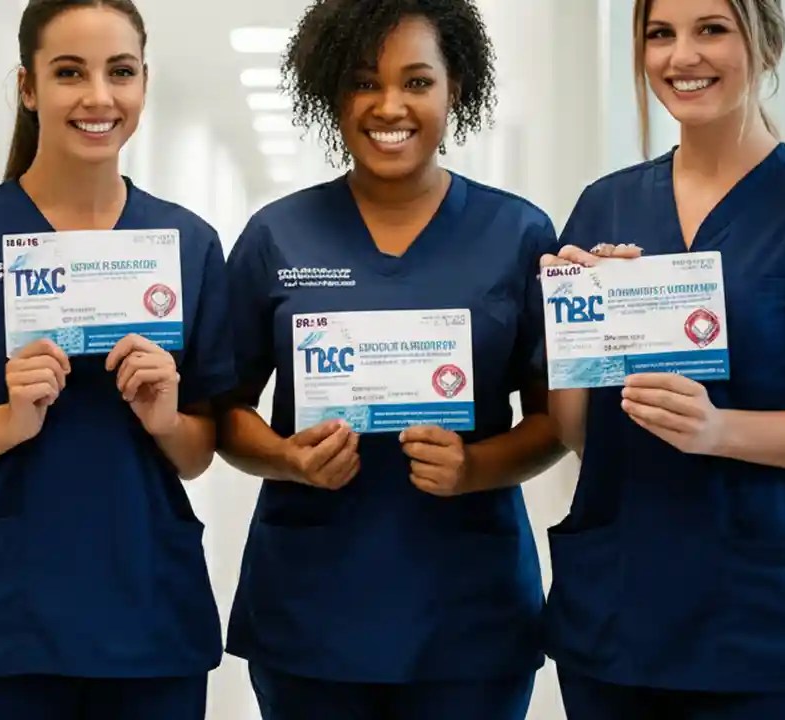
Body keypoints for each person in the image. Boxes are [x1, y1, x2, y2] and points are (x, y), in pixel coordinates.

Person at [540, 0, 785, 718]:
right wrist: (580, 320)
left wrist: (720, 430)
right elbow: (576, 432)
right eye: (660, 34)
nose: (681, 56)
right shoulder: (605, 207)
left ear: (766, 43)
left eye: (712, 29)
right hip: (616, 621)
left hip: (764, 628)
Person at [0, 1, 233, 717]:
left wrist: (164, 417)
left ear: (144, 83)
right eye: (69, 73)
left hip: (142, 620)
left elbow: (196, 454)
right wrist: (8, 422)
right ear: (28, 88)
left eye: (119, 72)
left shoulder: (187, 244)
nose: (98, 96)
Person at [216, 1, 564, 718]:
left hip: (467, 609)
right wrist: (286, 458)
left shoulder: (519, 233)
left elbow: (556, 419)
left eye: (417, 82)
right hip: (313, 606)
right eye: (363, 82)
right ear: (331, 92)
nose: (389, 106)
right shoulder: (276, 235)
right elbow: (222, 409)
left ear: (455, 87)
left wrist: (475, 468)